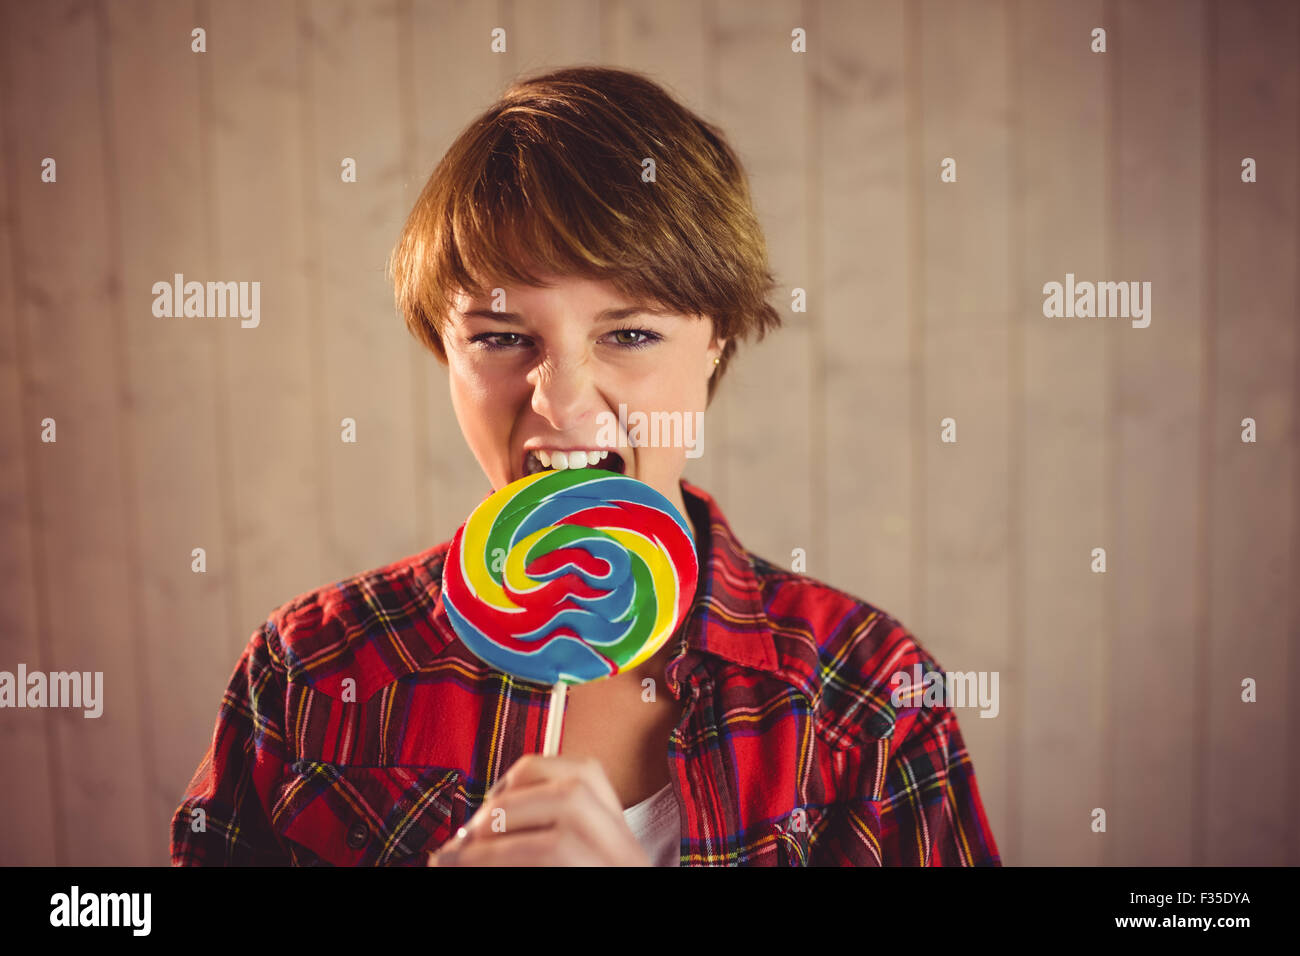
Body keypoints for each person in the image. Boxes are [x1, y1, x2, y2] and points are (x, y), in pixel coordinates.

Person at [170, 65, 1000, 867]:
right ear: (443, 351)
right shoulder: (310, 673)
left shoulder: (867, 695)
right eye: (499, 337)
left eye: (629, 333)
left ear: (715, 340)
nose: (561, 404)